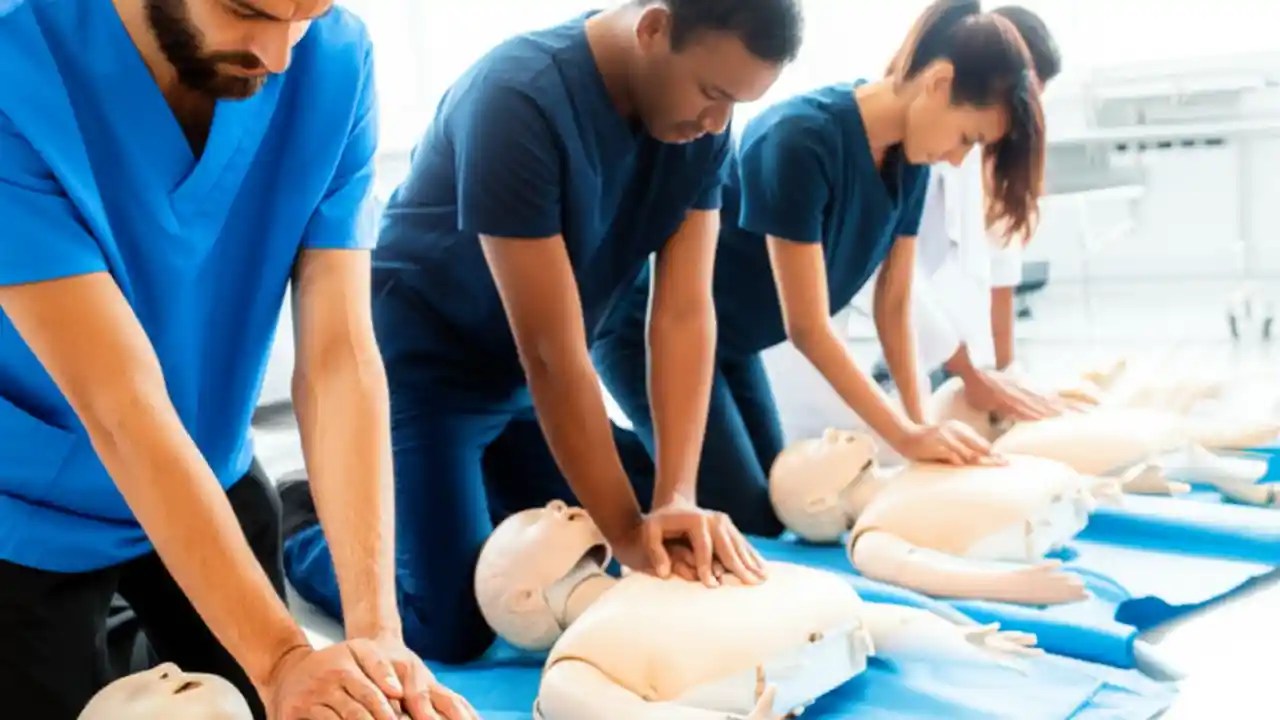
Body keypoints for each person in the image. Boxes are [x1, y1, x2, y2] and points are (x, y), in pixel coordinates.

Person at [281, 0, 805, 665]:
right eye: (711, 94)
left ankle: (464, 500)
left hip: (519, 385)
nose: (717, 123)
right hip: (425, 372)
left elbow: (681, 314)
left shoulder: (704, 129)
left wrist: (676, 496)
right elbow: (553, 358)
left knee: (665, 518)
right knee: (454, 621)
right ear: (652, 28)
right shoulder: (517, 99)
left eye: (737, 104)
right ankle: (301, 520)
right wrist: (622, 538)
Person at [0, 2, 471, 720]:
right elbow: (120, 404)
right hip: (28, 497)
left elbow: (339, 356)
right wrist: (283, 659)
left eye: (304, 16)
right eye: (247, 11)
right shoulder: (16, 66)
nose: (279, 56)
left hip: (211, 461)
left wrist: (378, 636)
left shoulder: (334, 60)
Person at [594, 0, 1052, 536]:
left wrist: (922, 425)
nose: (957, 158)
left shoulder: (910, 161)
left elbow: (896, 304)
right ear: (938, 83)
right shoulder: (800, 140)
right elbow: (807, 327)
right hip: (647, 335)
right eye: (968, 138)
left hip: (731, 345)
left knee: (774, 500)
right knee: (747, 513)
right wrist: (902, 435)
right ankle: (567, 461)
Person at [881, 5, 1065, 419]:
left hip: (959, 355)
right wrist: (967, 371)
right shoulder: (929, 143)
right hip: (924, 352)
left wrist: (1006, 370)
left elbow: (1000, 271)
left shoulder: (984, 148)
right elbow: (897, 286)